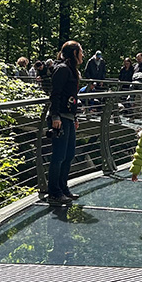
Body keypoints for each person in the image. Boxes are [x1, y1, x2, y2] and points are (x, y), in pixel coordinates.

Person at [47, 40, 84, 206]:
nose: (83, 55)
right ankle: (54, 192)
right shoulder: (62, 69)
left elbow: (72, 97)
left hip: (69, 117)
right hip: (60, 117)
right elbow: (55, 94)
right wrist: (55, 116)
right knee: (59, 156)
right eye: (81, 52)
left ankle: (63, 188)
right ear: (74, 53)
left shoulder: (72, 70)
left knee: (69, 155)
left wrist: (75, 117)